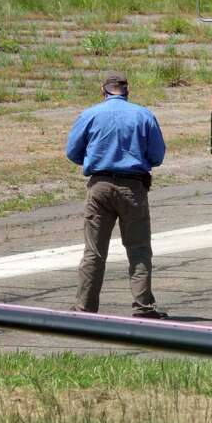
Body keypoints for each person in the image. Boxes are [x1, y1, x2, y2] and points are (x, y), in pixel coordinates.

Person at [65, 71, 167, 317]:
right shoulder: (144, 115)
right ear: (127, 91)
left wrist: (95, 159)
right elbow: (157, 156)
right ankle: (143, 306)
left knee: (94, 251)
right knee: (139, 249)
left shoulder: (89, 115)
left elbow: (72, 152)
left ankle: (85, 307)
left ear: (103, 91)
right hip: (133, 187)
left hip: (99, 186)